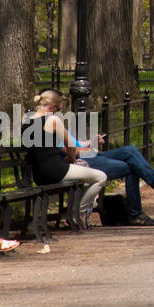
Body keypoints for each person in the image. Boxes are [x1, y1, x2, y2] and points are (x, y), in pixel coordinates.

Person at [22, 90, 108, 225]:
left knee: (86, 180)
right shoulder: (53, 120)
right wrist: (71, 158)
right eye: (57, 110)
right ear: (52, 107)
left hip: (38, 174)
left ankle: (77, 211)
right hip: (56, 170)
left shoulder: (26, 119)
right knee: (100, 177)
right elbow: (71, 146)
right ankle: (77, 214)